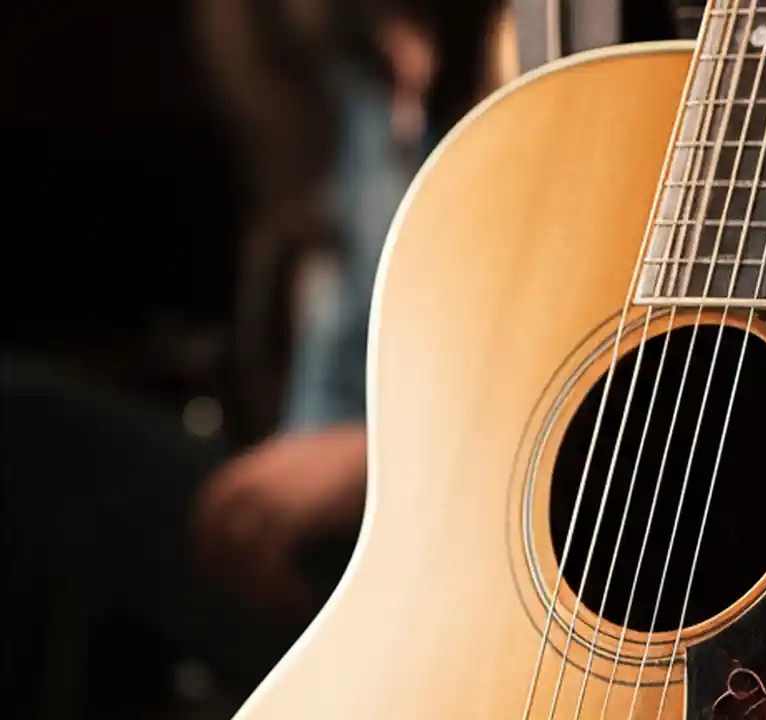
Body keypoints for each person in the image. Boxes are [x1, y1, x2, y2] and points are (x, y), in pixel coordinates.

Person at [1, 1, 503, 715]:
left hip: (460, 527)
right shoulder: (334, 79)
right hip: (316, 549)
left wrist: (380, 457)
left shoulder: (537, 52)